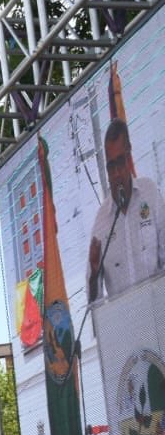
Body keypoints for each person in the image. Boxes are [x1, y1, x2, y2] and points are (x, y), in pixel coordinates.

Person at [87, 116, 165, 299]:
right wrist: (94, 272)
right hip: (126, 323)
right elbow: (94, 301)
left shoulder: (150, 193)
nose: (116, 174)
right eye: (110, 166)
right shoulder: (101, 222)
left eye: (120, 162)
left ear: (129, 156)